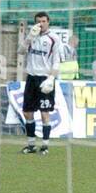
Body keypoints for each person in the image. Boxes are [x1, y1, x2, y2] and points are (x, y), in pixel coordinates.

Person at [19, 11, 60, 155]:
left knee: (45, 114)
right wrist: (29, 37)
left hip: (45, 79)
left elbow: (56, 61)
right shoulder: (32, 36)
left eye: (43, 21)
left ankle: (45, 146)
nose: (41, 24)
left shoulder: (53, 38)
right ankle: (31, 145)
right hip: (31, 77)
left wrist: (51, 78)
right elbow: (20, 51)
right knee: (27, 112)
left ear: (48, 22)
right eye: (38, 21)